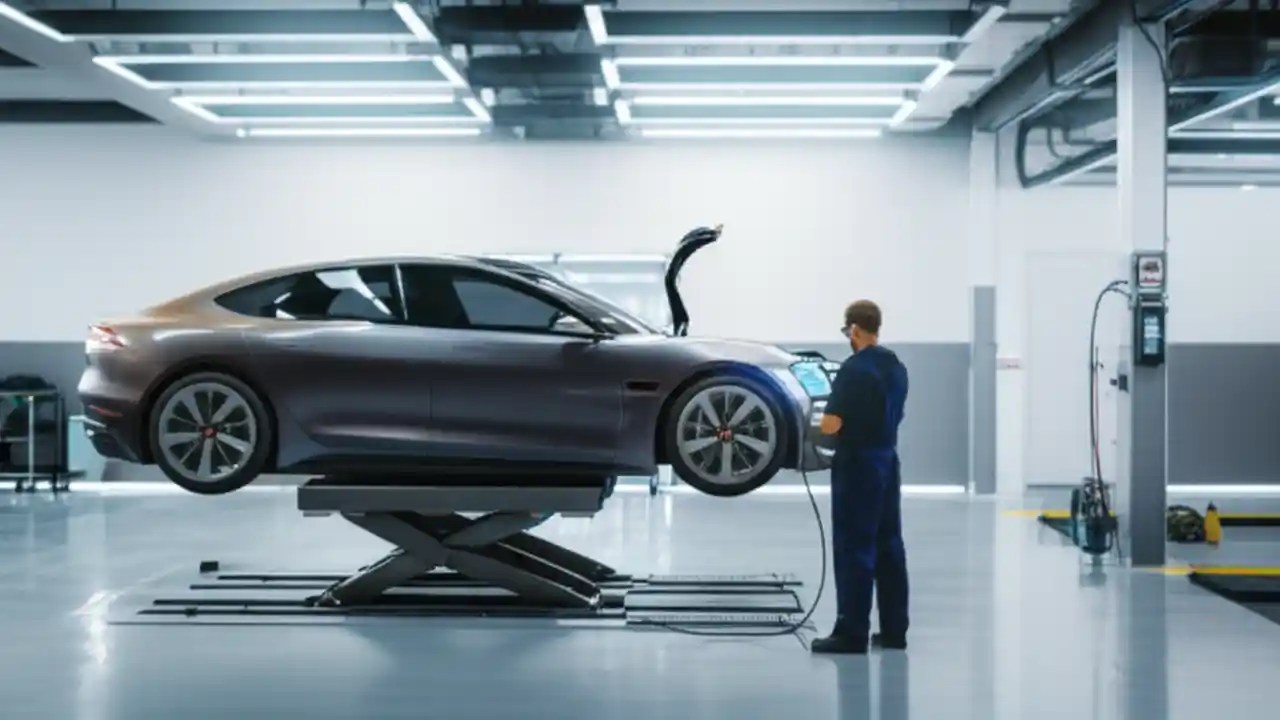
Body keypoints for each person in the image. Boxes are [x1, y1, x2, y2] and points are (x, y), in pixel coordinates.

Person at [811, 299, 910, 655]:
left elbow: (830, 424)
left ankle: (851, 633)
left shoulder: (853, 370)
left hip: (857, 465)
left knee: (854, 547)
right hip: (887, 461)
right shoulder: (896, 367)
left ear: (853, 329)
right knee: (889, 544)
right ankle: (894, 631)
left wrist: (815, 422)